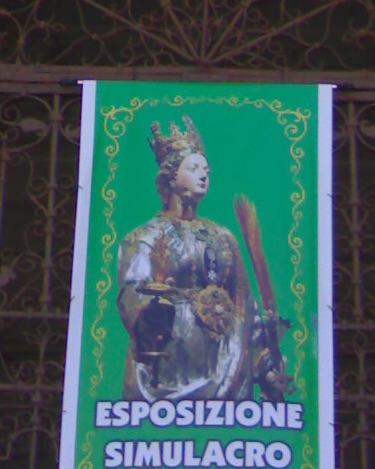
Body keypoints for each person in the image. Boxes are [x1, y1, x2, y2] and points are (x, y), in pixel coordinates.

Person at [116, 116, 293, 402]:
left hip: (227, 361)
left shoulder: (223, 236)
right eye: (194, 168)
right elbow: (132, 297)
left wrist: (264, 362)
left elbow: (246, 306)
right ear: (171, 177)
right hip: (171, 359)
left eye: (206, 170)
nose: (203, 175)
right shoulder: (145, 236)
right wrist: (149, 315)